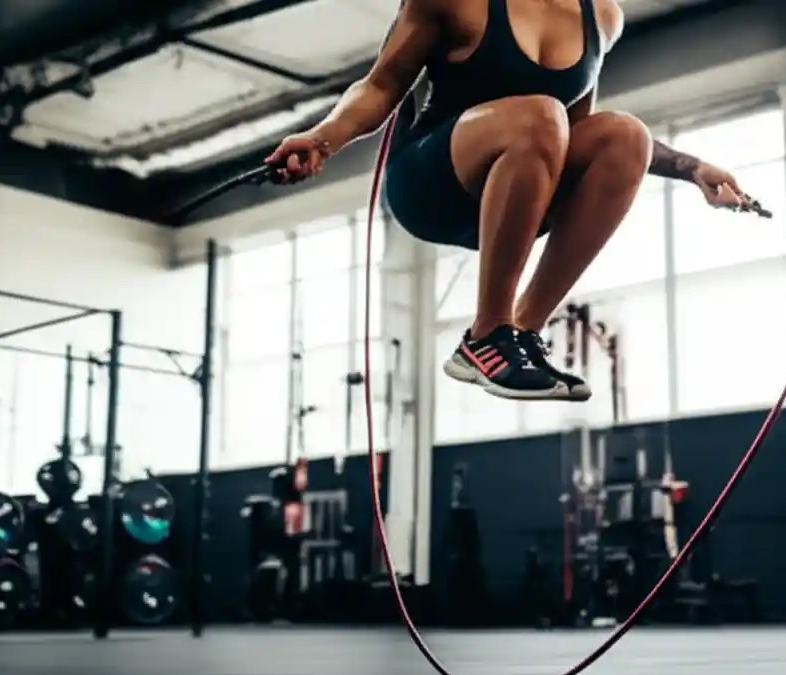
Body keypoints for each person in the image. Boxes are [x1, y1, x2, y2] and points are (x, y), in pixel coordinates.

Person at [266, 0, 757, 402]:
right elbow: (381, 85)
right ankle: (488, 333)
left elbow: (581, 130)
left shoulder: (602, 16)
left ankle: (519, 333)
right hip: (431, 185)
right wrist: (322, 138)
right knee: (539, 114)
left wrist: (691, 169)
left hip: (519, 195)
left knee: (626, 134)